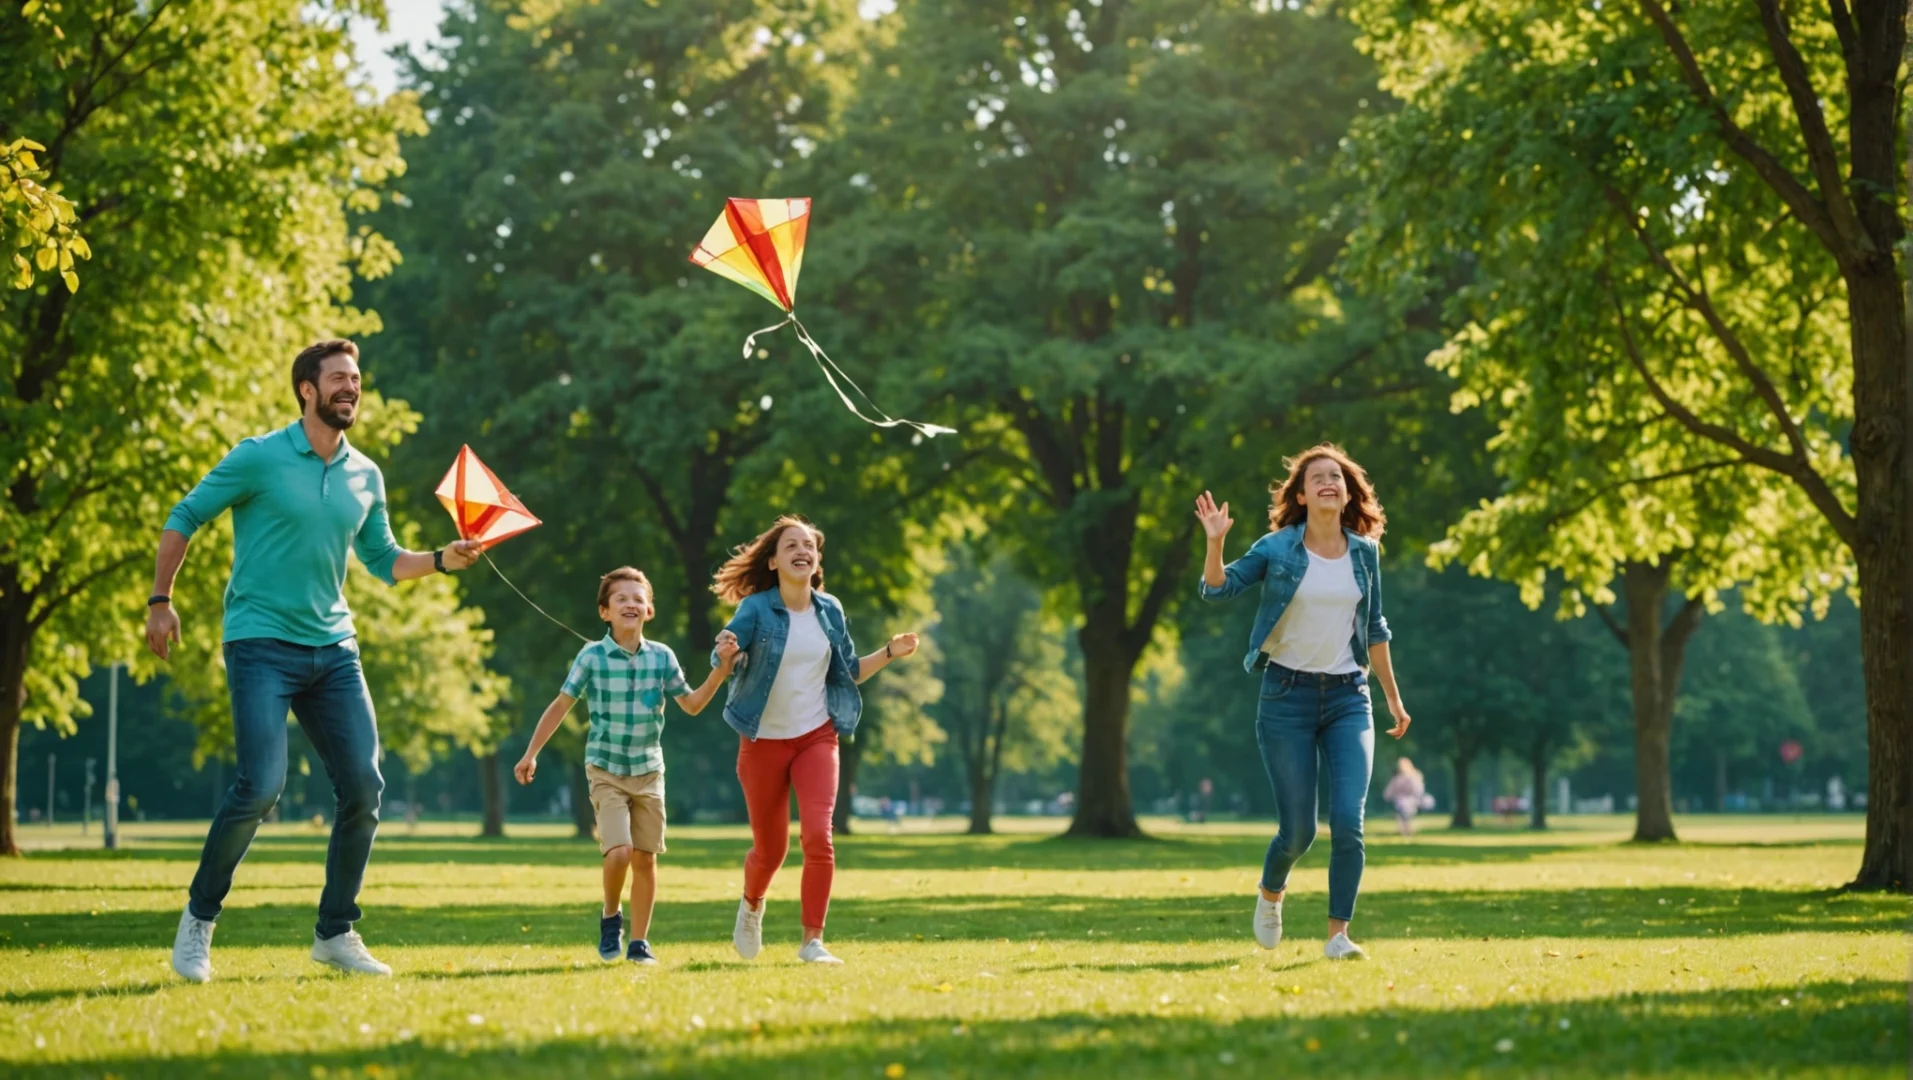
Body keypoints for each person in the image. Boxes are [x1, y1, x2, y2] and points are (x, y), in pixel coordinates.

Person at [146, 339, 482, 983]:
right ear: (307, 389)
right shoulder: (260, 457)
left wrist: (441, 558)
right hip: (260, 642)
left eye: (356, 379)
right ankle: (198, 921)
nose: (350, 388)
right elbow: (184, 515)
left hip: (333, 650)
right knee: (261, 785)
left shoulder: (366, 474)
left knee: (364, 786)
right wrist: (161, 599)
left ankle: (335, 932)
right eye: (338, 379)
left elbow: (384, 561)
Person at [1194, 443, 1412, 961]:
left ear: (1347, 490)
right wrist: (1214, 545)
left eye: (1336, 476)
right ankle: (1271, 894)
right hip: (1285, 697)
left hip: (1347, 698)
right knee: (1299, 830)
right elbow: (1217, 591)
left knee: (1349, 821)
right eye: (1317, 477)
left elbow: (1375, 629)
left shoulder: (1365, 553)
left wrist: (1393, 700)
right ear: (1301, 493)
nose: (1328, 482)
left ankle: (1337, 935)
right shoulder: (1276, 548)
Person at [711, 516, 919, 965]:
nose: (802, 550)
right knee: (770, 851)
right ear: (774, 560)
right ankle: (751, 905)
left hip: (816, 736)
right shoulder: (756, 609)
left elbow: (848, 673)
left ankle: (812, 942)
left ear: (817, 559)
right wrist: (726, 651)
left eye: (809, 545)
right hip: (762, 739)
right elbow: (725, 649)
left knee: (819, 838)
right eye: (791, 545)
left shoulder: (830, 610)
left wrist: (888, 652)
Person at [513, 567, 737, 964]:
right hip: (606, 768)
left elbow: (692, 704)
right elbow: (562, 704)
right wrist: (531, 753)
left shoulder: (661, 657)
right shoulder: (592, 657)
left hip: (649, 770)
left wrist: (720, 670)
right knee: (619, 852)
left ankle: (639, 943)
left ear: (649, 610)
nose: (631, 604)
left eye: (638, 598)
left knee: (646, 858)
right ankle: (610, 914)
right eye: (621, 599)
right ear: (605, 612)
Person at [1384, 758, 1426, 838]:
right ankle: (1403, 831)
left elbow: (1418, 789)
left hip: (1410, 800)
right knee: (1401, 816)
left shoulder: (1413, 776)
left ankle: (1408, 830)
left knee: (1407, 816)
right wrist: (1388, 796)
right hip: (1400, 800)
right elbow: (1391, 789)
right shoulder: (1397, 778)